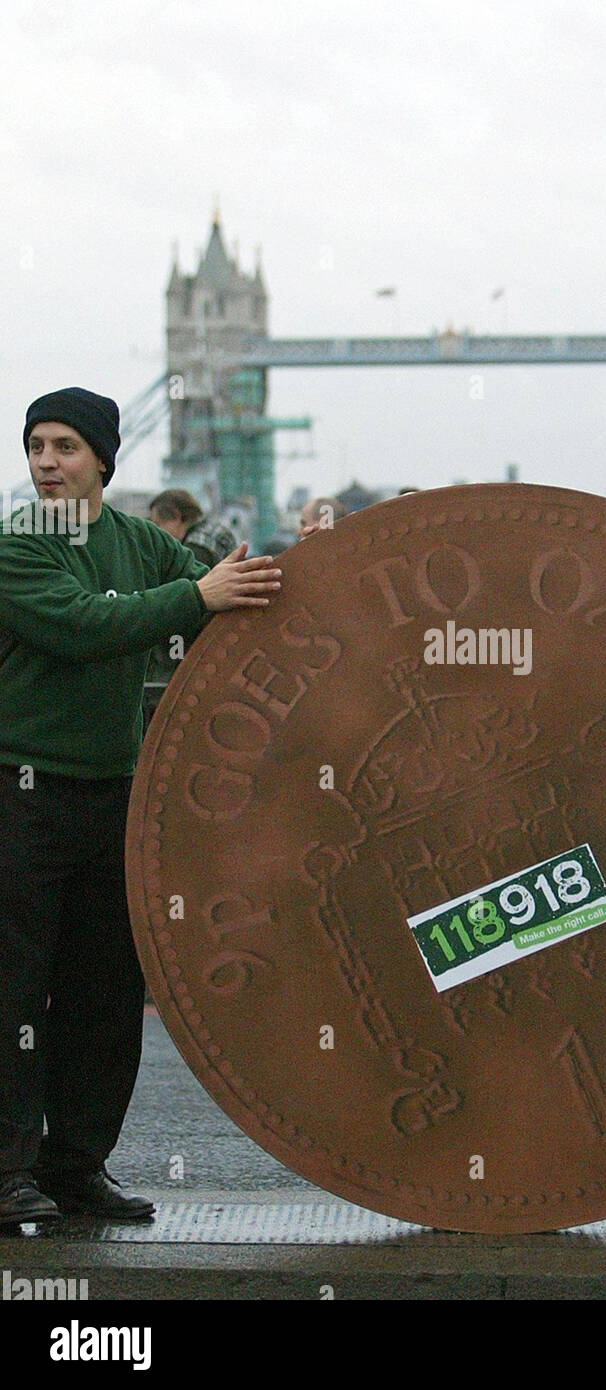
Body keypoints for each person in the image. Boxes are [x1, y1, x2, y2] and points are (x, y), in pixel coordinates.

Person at [0, 387, 282, 1228]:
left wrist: (293, 571)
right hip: (22, 796)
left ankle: (75, 1169)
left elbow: (228, 603)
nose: (46, 463)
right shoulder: (17, 545)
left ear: (103, 461)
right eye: (36, 447)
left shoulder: (136, 543)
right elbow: (87, 626)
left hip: (114, 798)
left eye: (65, 448)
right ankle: (7, 1177)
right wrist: (199, 596)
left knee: (104, 995)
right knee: (14, 996)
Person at [143, 489, 238, 726]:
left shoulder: (196, 549)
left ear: (175, 516)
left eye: (157, 524)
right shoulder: (215, 531)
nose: (155, 533)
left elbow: (187, 606)